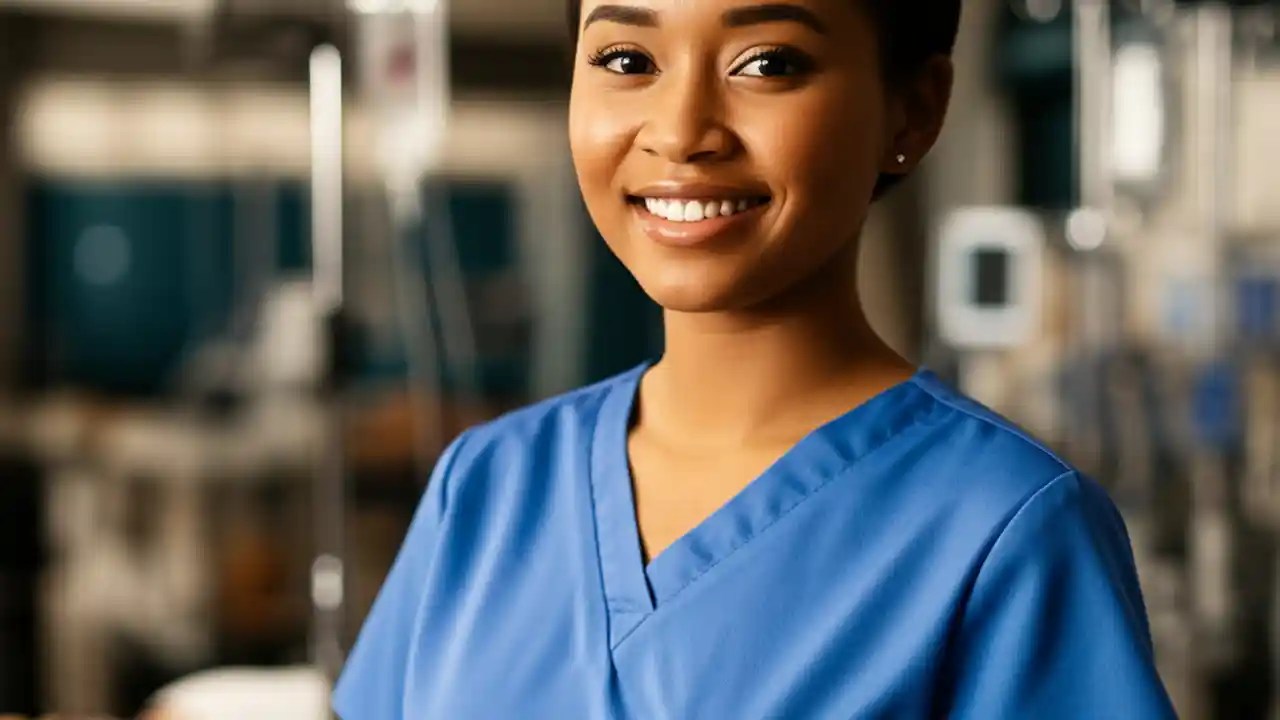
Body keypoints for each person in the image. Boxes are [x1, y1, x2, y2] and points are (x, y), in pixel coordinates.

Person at [334, 0, 1177, 717]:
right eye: (627, 60)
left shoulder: (1002, 527)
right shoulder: (486, 487)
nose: (680, 133)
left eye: (768, 64)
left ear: (913, 111)